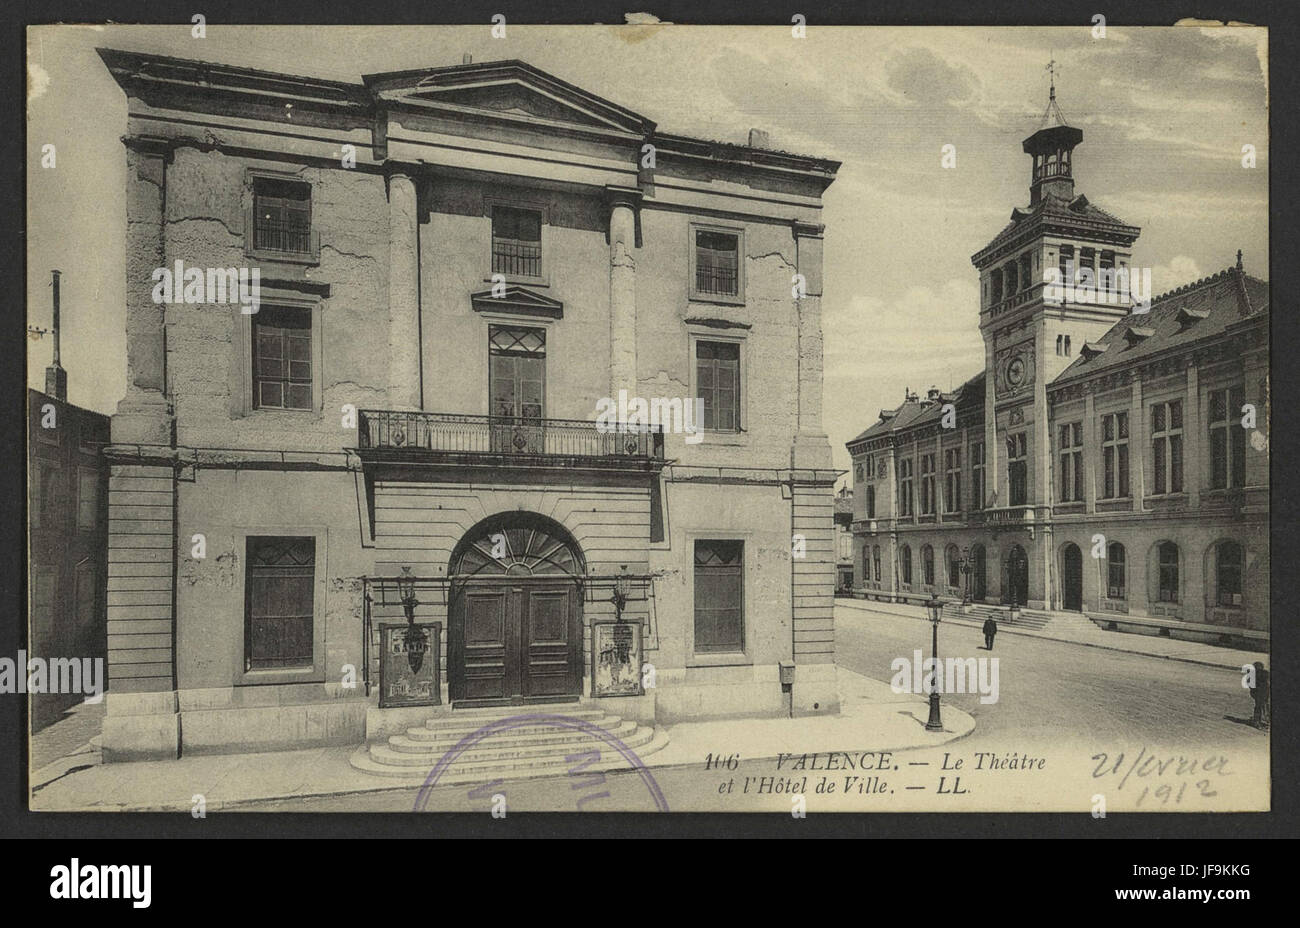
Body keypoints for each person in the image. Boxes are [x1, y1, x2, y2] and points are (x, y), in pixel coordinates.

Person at [1250, 661, 1270, 729]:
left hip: (1258, 693)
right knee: (1265, 706)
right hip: (1265, 692)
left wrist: (1253, 692)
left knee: (1258, 707)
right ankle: (1265, 720)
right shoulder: (1266, 673)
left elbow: (1250, 685)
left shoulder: (1252, 674)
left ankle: (1257, 721)